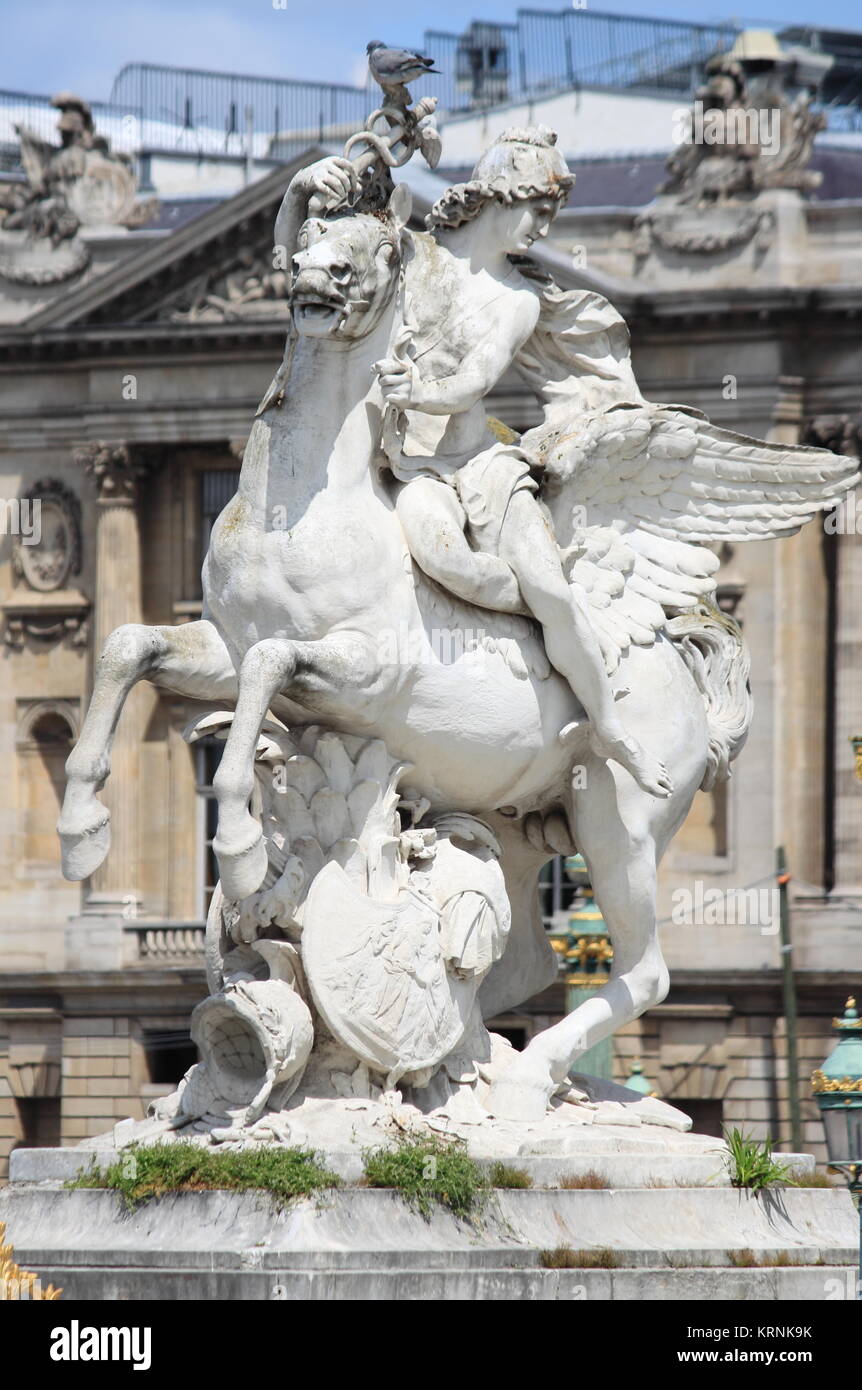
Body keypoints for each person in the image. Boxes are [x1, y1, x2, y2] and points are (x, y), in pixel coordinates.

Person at [373, 127, 673, 798]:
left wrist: (414, 389)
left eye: (553, 212)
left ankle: (609, 724)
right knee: (431, 559)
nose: (545, 226)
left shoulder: (519, 298)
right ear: (500, 196)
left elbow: (473, 381)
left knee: (552, 591)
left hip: (477, 466)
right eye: (538, 207)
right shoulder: (411, 261)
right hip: (403, 464)